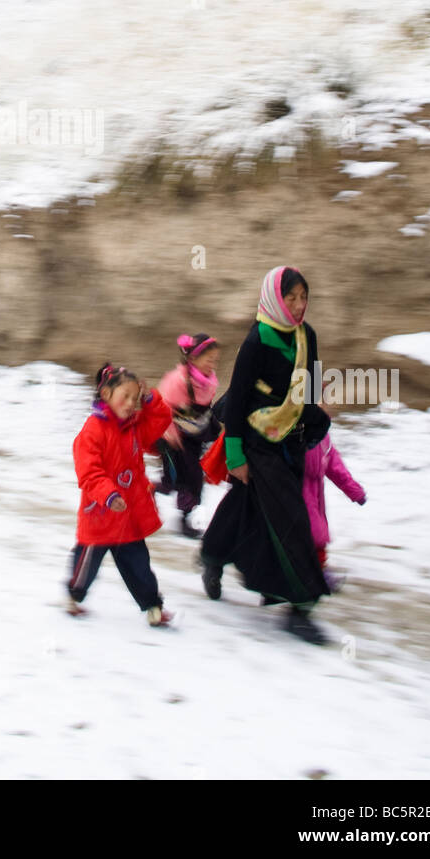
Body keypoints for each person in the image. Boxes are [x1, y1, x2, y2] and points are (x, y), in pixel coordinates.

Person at [199, 266, 332, 645]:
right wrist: (236, 456)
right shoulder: (258, 340)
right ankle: (300, 606)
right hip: (256, 439)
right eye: (290, 298)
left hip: (290, 438)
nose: (299, 305)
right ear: (276, 298)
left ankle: (212, 554)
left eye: (303, 297)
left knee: (249, 504)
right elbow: (238, 399)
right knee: (291, 516)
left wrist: (315, 421)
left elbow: (310, 387)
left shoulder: (308, 336)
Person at [66, 363, 174, 626]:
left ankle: (153, 607)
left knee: (139, 565)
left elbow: (161, 421)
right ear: (106, 395)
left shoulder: (135, 426)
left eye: (134, 399)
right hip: (101, 515)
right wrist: (108, 495)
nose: (130, 404)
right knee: (86, 564)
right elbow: (89, 472)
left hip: (128, 516)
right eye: (124, 396)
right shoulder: (92, 431)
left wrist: (150, 401)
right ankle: (74, 596)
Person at [156, 333, 222, 537]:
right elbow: (161, 408)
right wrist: (169, 434)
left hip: (194, 436)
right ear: (192, 359)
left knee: (192, 478)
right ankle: (150, 494)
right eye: (208, 359)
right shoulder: (178, 381)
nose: (212, 364)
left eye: (215, 360)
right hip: (173, 438)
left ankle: (184, 516)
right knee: (180, 478)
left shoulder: (208, 382)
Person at [303, 430, 366, 591]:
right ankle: (316, 575)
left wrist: (354, 490)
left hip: (315, 497)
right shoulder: (291, 429)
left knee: (317, 536)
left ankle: (318, 574)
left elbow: (334, 466)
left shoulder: (323, 435)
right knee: (310, 536)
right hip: (293, 493)